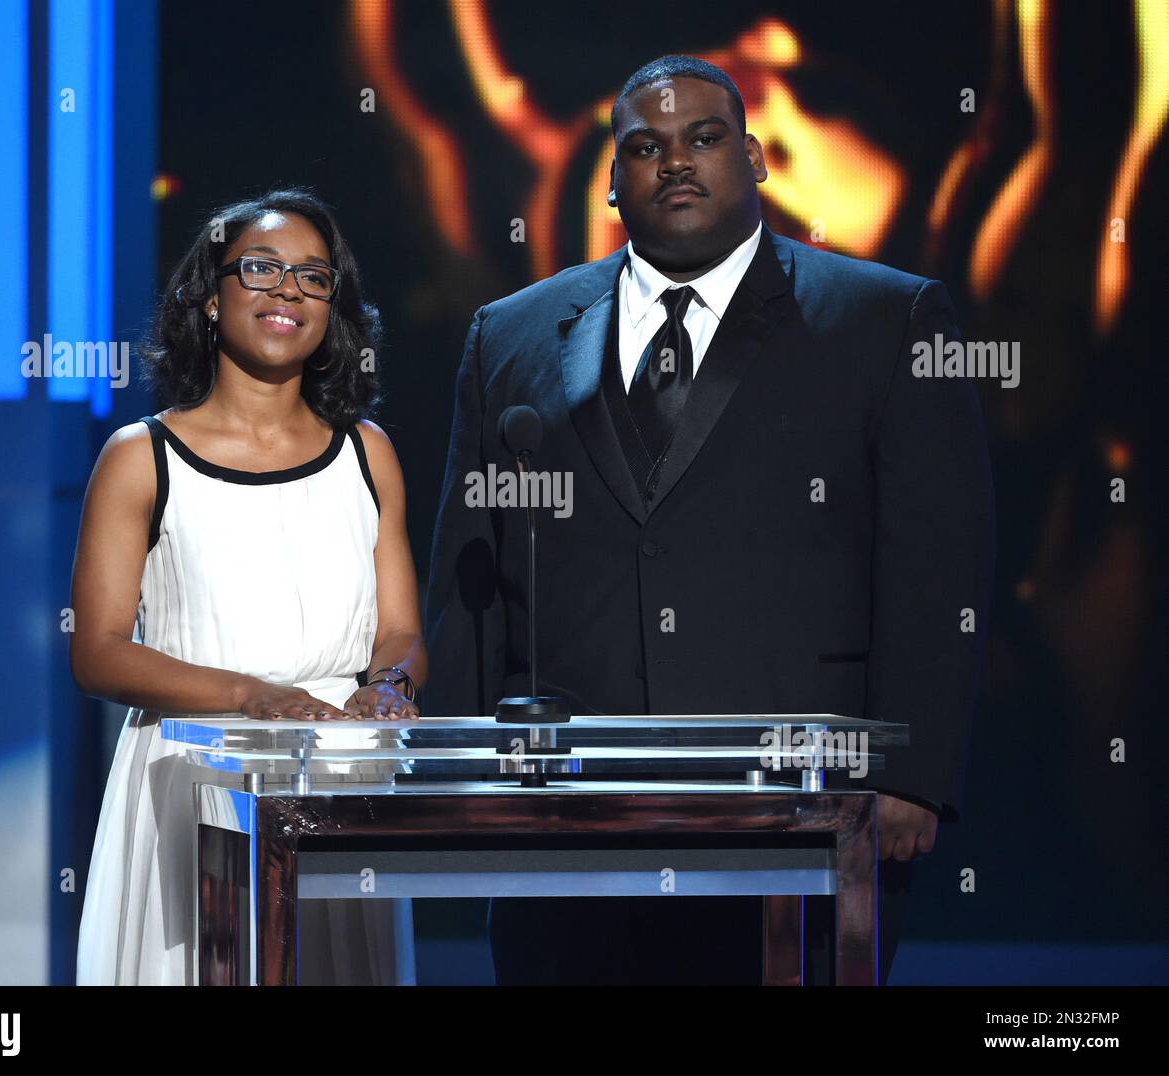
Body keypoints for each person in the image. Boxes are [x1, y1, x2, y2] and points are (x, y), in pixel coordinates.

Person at [424, 56, 995, 984]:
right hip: (567, 817)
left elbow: (938, 567)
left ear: (758, 158)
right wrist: (454, 781)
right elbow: (470, 579)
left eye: (703, 138)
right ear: (611, 182)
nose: (674, 163)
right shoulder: (512, 334)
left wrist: (911, 772)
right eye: (644, 148)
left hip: (805, 809)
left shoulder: (885, 320)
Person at [72, 187, 426, 985]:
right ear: (207, 298)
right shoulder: (140, 456)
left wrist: (392, 686)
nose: (288, 291)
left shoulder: (368, 453)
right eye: (260, 269)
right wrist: (253, 697)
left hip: (333, 777)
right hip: (190, 775)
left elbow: (399, 631)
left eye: (312, 275)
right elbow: (97, 654)